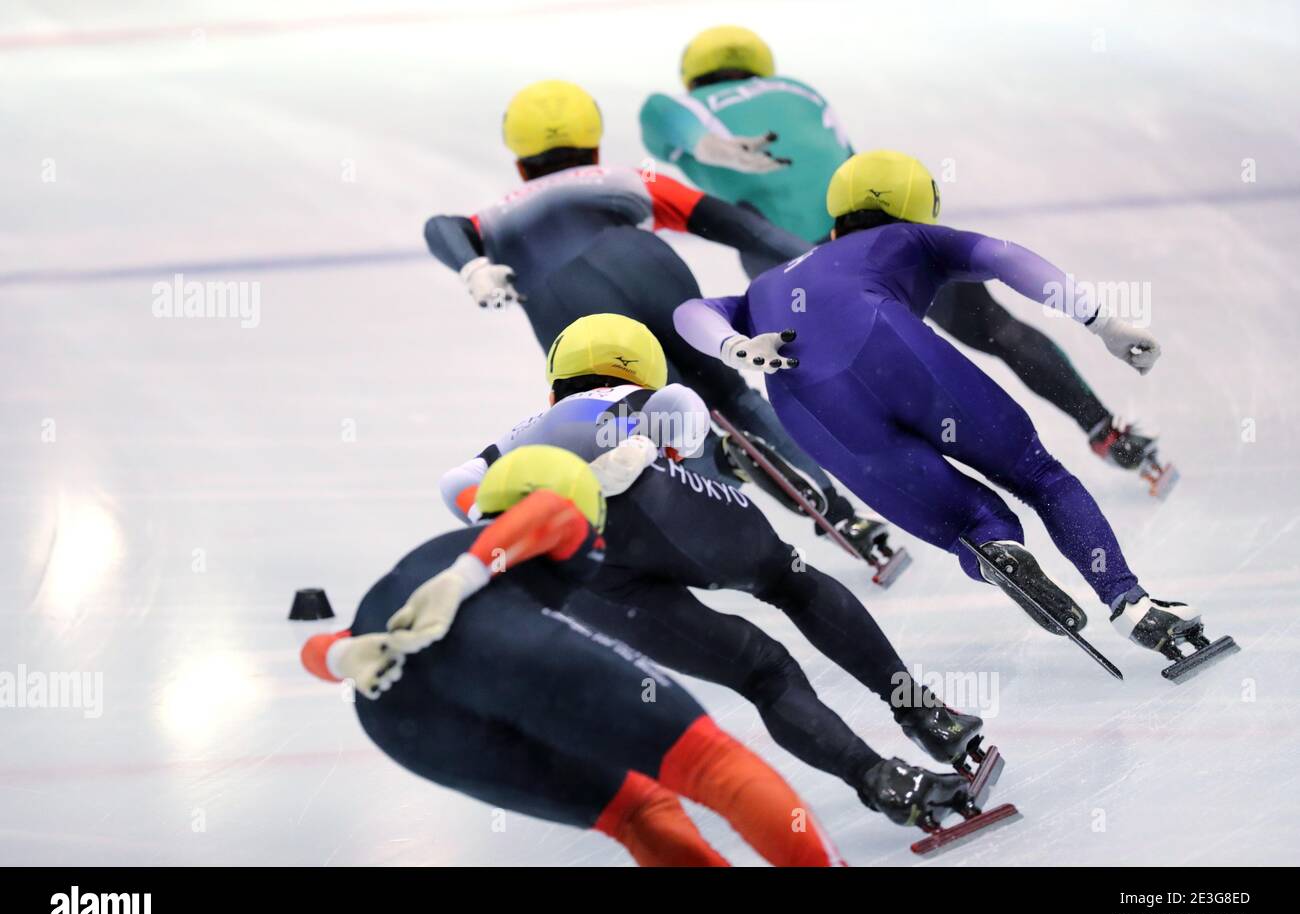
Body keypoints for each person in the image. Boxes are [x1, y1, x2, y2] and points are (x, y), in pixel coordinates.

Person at [672, 150, 1212, 671]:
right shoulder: (909, 236)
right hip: (895, 351)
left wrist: (732, 347)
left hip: (808, 407)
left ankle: (995, 547)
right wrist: (1103, 323)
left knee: (973, 527)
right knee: (1040, 477)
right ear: (918, 207)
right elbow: (1006, 259)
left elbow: (691, 311)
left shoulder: (768, 282)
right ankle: (1132, 606)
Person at [438, 313, 999, 812]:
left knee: (762, 673)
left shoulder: (515, 438)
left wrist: (510, 509)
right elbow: (684, 409)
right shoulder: (627, 397)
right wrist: (659, 448)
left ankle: (882, 781)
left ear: (558, 380)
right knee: (789, 582)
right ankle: (926, 715)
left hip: (583, 565)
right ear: (640, 367)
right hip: (663, 506)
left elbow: (456, 486)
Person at [640, 26, 1164, 478]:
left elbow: (672, 123)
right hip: (882, 234)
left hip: (797, 267)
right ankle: (1105, 430)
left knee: (846, 374)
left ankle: (882, 488)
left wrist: (719, 152)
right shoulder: (800, 91)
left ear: (691, 75)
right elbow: (850, 169)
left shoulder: (677, 104)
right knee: (998, 331)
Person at [422, 78, 895, 566]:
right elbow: (748, 229)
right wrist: (835, 271)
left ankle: (732, 498)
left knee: (662, 424)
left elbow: (440, 227)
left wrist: (472, 266)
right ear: (594, 144)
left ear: (519, 159)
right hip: (650, 269)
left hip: (578, 317)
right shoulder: (626, 178)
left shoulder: (494, 215)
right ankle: (842, 516)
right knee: (731, 394)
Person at [302, 445, 844, 867]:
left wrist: (344, 657)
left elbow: (314, 649)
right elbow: (551, 509)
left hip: (398, 721)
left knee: (637, 811)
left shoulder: (421, 559)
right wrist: (465, 577)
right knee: (711, 764)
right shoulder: (526, 536)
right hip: (500, 643)